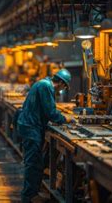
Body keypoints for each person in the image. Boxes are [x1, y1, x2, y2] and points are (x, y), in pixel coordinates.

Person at [16, 69, 76, 202]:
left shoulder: (43, 84)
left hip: (30, 125)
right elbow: (51, 112)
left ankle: (32, 193)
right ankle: (28, 196)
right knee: (32, 163)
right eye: (64, 87)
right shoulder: (46, 86)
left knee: (36, 162)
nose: (62, 90)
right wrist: (65, 119)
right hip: (31, 127)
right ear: (60, 82)